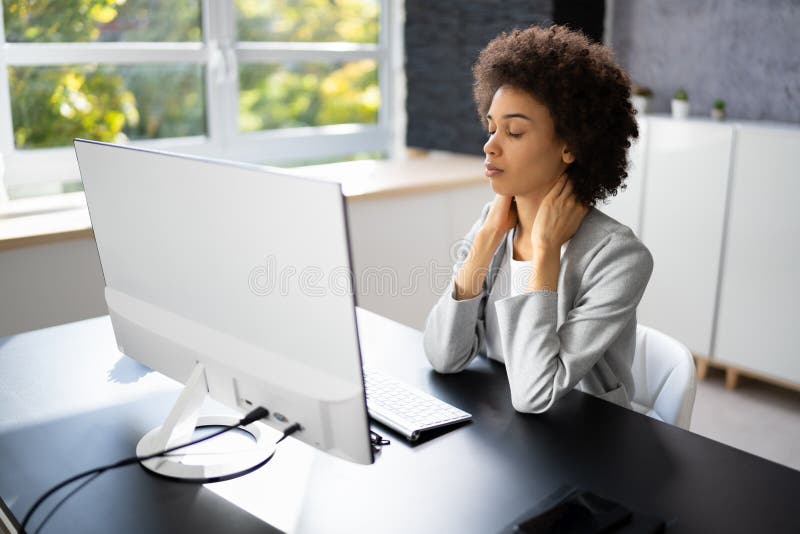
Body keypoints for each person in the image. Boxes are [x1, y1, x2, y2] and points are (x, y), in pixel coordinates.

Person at [423, 24, 653, 414]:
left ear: (570, 145)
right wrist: (485, 242)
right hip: (505, 425)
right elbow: (443, 355)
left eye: (514, 132)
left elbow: (535, 394)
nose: (489, 145)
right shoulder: (493, 223)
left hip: (587, 433)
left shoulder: (619, 257)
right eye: (492, 128)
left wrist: (543, 254)